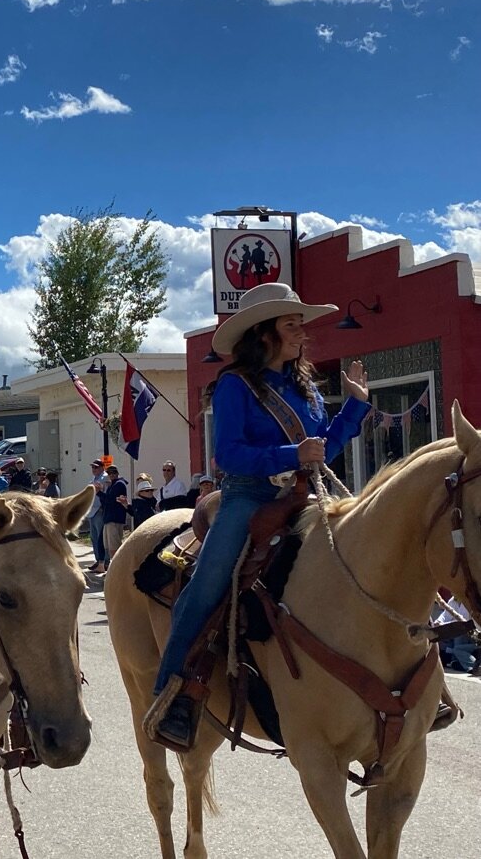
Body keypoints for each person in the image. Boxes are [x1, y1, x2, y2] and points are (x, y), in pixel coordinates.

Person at [151, 282, 370, 749]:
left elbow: (321, 448)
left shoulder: (304, 387)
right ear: (264, 331)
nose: (301, 332)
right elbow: (229, 455)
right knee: (206, 585)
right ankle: (172, 696)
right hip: (248, 498)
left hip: (305, 495)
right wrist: (292, 453)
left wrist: (356, 405)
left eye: (300, 325)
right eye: (292, 324)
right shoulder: (234, 384)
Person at [98, 464, 129, 569]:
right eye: (109, 473)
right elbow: (106, 501)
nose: (111, 475)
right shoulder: (112, 485)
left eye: (113, 472)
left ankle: (119, 568)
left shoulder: (119, 484)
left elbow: (111, 500)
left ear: (117, 473)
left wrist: (99, 493)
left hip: (114, 519)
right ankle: (115, 567)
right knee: (109, 546)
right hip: (109, 518)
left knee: (114, 547)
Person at [86, 459, 109, 568]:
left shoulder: (104, 478)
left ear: (102, 467)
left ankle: (104, 560)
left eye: (96, 467)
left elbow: (104, 494)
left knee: (101, 538)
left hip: (99, 510)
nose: (94, 469)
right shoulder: (94, 478)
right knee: (94, 537)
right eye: (93, 467)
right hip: (92, 511)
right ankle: (98, 560)